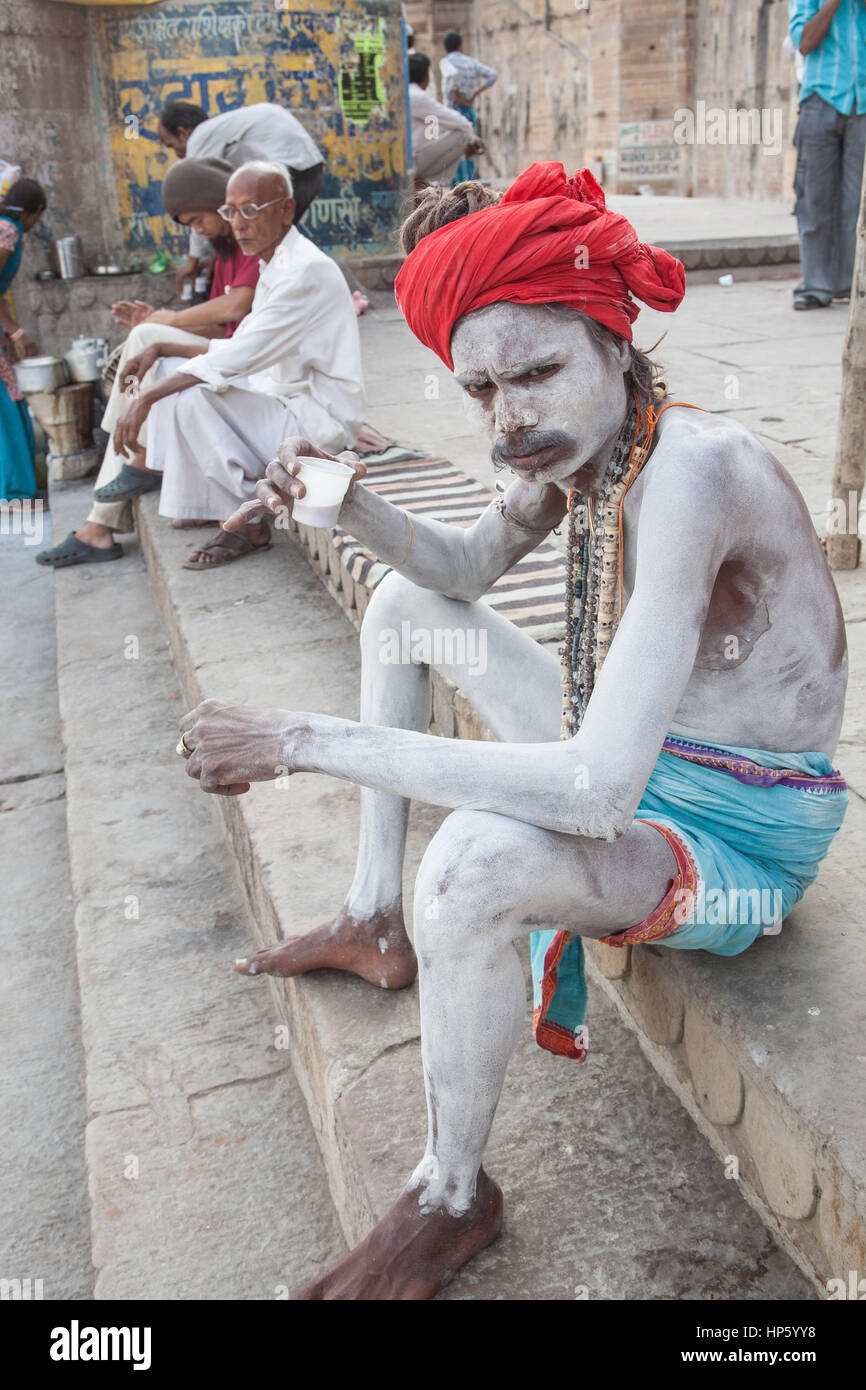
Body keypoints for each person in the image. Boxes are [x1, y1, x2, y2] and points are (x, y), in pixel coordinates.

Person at [178, 167, 848, 1299]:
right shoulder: (578, 447)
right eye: (481, 389)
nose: (509, 417)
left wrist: (297, 738)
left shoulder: (688, 467)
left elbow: (591, 792)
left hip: (736, 840)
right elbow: (458, 571)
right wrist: (348, 503)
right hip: (652, 772)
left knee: (477, 861)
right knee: (401, 608)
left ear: (612, 347)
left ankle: (451, 1193)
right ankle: (370, 912)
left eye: (535, 373)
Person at [40, 160, 362, 572]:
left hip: (318, 422)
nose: (239, 223)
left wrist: (148, 398)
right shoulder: (274, 263)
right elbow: (240, 344)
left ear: (285, 210)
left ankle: (240, 521)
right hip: (281, 398)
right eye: (232, 211)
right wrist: (161, 349)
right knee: (174, 377)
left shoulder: (305, 271)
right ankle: (178, 480)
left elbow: (237, 356)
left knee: (185, 396)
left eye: (251, 210)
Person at [36, 157, 260, 566]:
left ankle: (125, 470)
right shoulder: (224, 252)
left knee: (148, 337)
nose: (198, 231)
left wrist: (165, 322)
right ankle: (112, 501)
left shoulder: (251, 244)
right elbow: (222, 329)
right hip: (229, 354)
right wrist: (157, 323)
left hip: (254, 368)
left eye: (198, 220)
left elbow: (239, 305)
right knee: (146, 337)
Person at [158, 100, 325, 295]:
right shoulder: (221, 131)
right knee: (269, 239)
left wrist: (193, 260)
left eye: (172, 145)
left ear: (183, 133)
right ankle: (264, 293)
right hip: (309, 167)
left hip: (291, 167)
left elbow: (196, 201)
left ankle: (254, 296)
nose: (177, 154)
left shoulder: (199, 138)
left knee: (262, 238)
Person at [789, 0, 866, 309]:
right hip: (821, 97)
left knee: (856, 201)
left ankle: (852, 282)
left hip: (863, 103)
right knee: (814, 198)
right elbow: (804, 42)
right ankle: (816, 285)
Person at [0, 178, 47, 502]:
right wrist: (16, 332)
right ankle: (15, 493)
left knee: (11, 397)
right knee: (6, 403)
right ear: (35, 212)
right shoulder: (8, 231)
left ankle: (19, 489)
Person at [408, 53, 484, 190]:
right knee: (463, 134)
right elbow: (459, 122)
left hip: (408, 158)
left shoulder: (404, 93)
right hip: (412, 161)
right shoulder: (417, 96)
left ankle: (426, 183)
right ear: (426, 76)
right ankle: (438, 184)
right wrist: (473, 139)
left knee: (441, 127)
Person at [439, 30, 497, 184]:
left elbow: (451, 76)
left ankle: (458, 186)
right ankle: (470, 184)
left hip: (454, 110)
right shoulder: (471, 62)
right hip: (469, 110)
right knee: (470, 149)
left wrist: (456, 94)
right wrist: (474, 95)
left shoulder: (446, 62)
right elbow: (492, 75)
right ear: (460, 46)